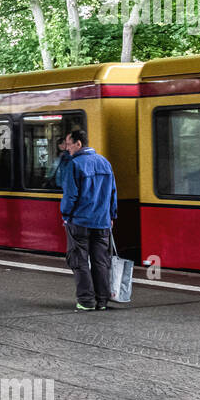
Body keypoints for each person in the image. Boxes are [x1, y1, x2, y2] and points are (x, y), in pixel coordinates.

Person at [60, 128, 118, 311]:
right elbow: (112, 194)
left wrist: (66, 216)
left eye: (69, 145)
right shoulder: (105, 163)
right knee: (101, 261)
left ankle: (86, 301)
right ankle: (102, 301)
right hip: (102, 222)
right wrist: (112, 215)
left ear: (79, 143)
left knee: (79, 261)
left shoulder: (74, 165)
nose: (67, 149)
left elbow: (70, 196)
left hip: (80, 221)